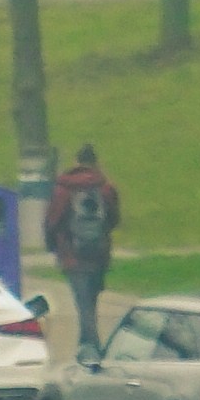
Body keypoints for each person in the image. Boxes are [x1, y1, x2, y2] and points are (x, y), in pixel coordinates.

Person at [46, 142, 121, 354]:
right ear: (95, 162)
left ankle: (92, 348)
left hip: (72, 255)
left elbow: (52, 221)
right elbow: (114, 219)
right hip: (98, 254)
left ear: (77, 162)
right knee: (91, 301)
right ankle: (86, 344)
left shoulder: (62, 189)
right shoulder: (106, 188)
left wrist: (54, 247)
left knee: (83, 304)